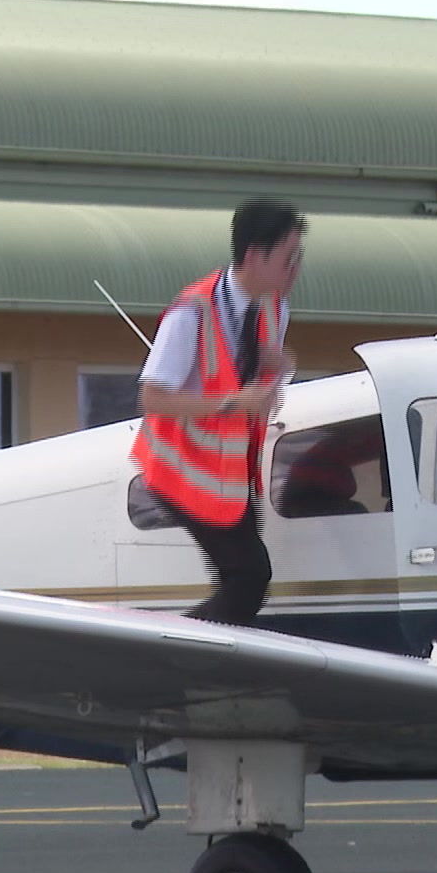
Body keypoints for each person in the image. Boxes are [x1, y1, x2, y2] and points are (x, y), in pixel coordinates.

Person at [132, 199, 304, 625]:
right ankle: (167, 653)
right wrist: (234, 402)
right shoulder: (191, 313)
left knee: (245, 579)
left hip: (227, 475)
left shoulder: (273, 306)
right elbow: (152, 397)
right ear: (253, 257)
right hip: (179, 472)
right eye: (288, 258)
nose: (295, 269)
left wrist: (271, 365)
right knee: (250, 576)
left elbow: (247, 373)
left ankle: (197, 655)